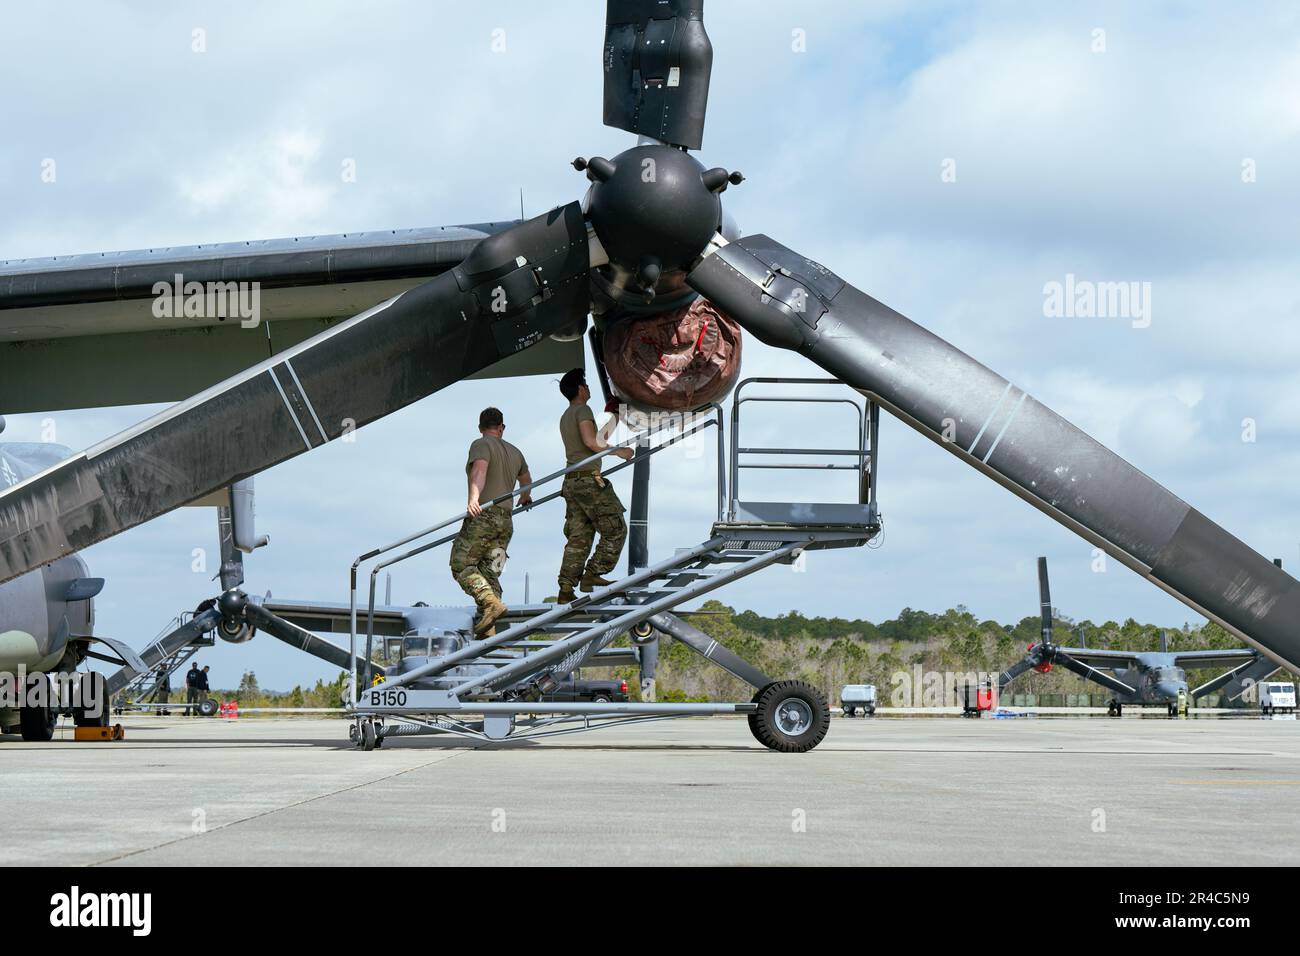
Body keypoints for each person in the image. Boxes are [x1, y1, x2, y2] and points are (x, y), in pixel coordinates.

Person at [449, 407, 532, 636]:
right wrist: (525, 498)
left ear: (480, 427)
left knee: (461, 564)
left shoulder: (481, 444)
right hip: (506, 523)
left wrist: (473, 499)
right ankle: (489, 630)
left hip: (484, 516)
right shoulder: (516, 452)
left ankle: (490, 603)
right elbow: (526, 482)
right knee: (490, 572)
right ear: (501, 428)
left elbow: (480, 470)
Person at [555, 368, 633, 605]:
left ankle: (566, 588)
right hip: (588, 480)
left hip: (572, 481)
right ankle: (593, 574)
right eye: (586, 385)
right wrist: (619, 451)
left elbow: (593, 440)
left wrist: (615, 417)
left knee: (579, 537)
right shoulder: (583, 410)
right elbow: (591, 442)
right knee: (616, 528)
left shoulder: (568, 415)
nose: (588, 389)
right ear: (580, 389)